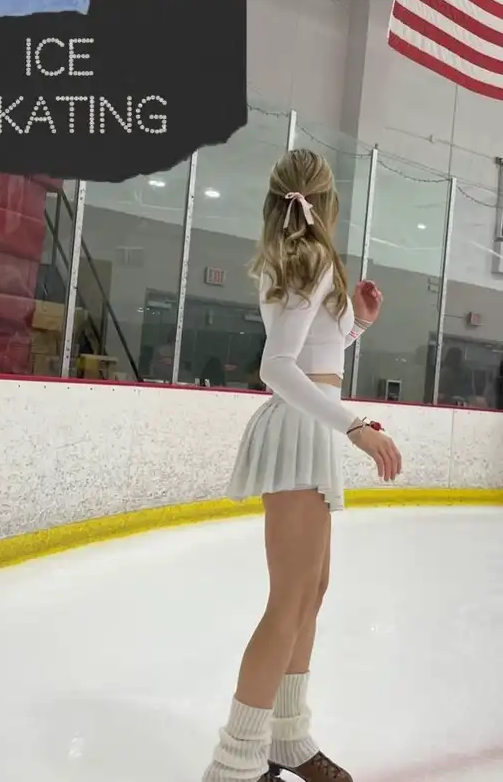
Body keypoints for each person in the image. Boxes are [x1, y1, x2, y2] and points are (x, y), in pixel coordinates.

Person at [201, 150, 402, 782]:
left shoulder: (300, 259)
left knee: (309, 594)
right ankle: (234, 762)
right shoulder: (312, 259)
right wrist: (356, 425)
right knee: (290, 601)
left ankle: (286, 738)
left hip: (308, 428)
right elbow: (278, 366)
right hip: (299, 431)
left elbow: (314, 353)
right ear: (327, 201)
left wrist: (357, 324)